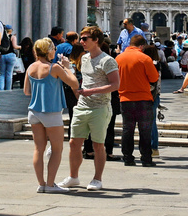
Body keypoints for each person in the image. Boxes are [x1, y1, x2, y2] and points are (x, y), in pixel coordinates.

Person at [59, 26, 120, 191]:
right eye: (81, 38)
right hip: (82, 106)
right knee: (73, 142)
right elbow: (82, 80)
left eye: (85, 39)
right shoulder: (84, 58)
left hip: (100, 107)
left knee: (98, 144)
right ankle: (73, 176)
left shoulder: (107, 60)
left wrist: (91, 91)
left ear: (96, 41)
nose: (81, 42)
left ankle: (97, 178)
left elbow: (115, 85)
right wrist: (66, 67)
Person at [25, 39, 68, 192]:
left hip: (34, 112)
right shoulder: (53, 68)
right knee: (57, 149)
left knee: (38, 149)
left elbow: (26, 91)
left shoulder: (31, 67)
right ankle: (50, 184)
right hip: (51, 111)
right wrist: (67, 68)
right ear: (48, 50)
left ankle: (41, 183)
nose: (54, 51)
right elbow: (72, 82)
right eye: (53, 49)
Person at [116, 34, 160, 167]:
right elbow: (153, 78)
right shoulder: (145, 58)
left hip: (125, 98)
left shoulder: (118, 58)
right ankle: (146, 158)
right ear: (142, 46)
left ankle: (128, 158)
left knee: (127, 129)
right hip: (143, 98)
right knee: (145, 129)